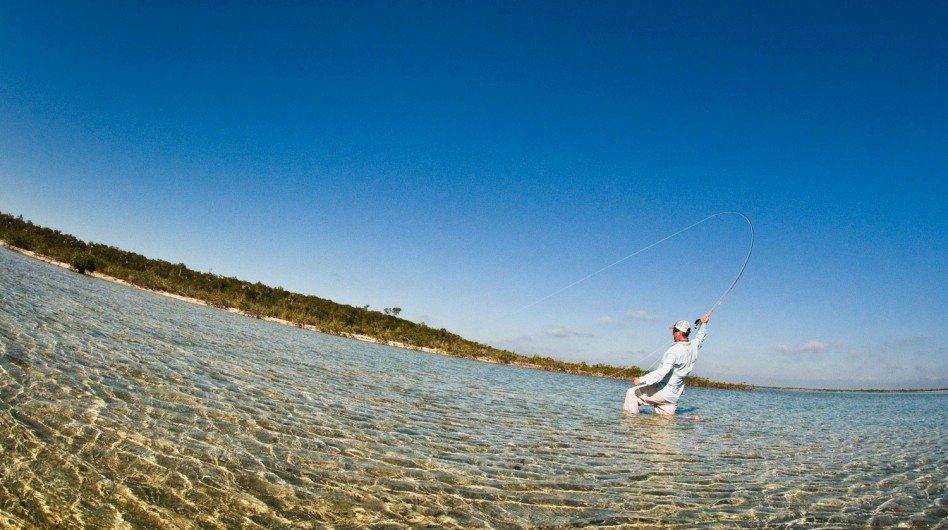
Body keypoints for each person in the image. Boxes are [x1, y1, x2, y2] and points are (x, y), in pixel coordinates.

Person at [623, 312, 711, 416]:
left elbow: (662, 372)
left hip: (663, 392)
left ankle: (630, 428)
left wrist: (641, 380)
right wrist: (704, 324)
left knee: (632, 393)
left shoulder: (673, 352)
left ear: (679, 333)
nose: (672, 333)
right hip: (673, 397)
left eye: (674, 331)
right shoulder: (694, 346)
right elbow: (700, 338)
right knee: (664, 426)